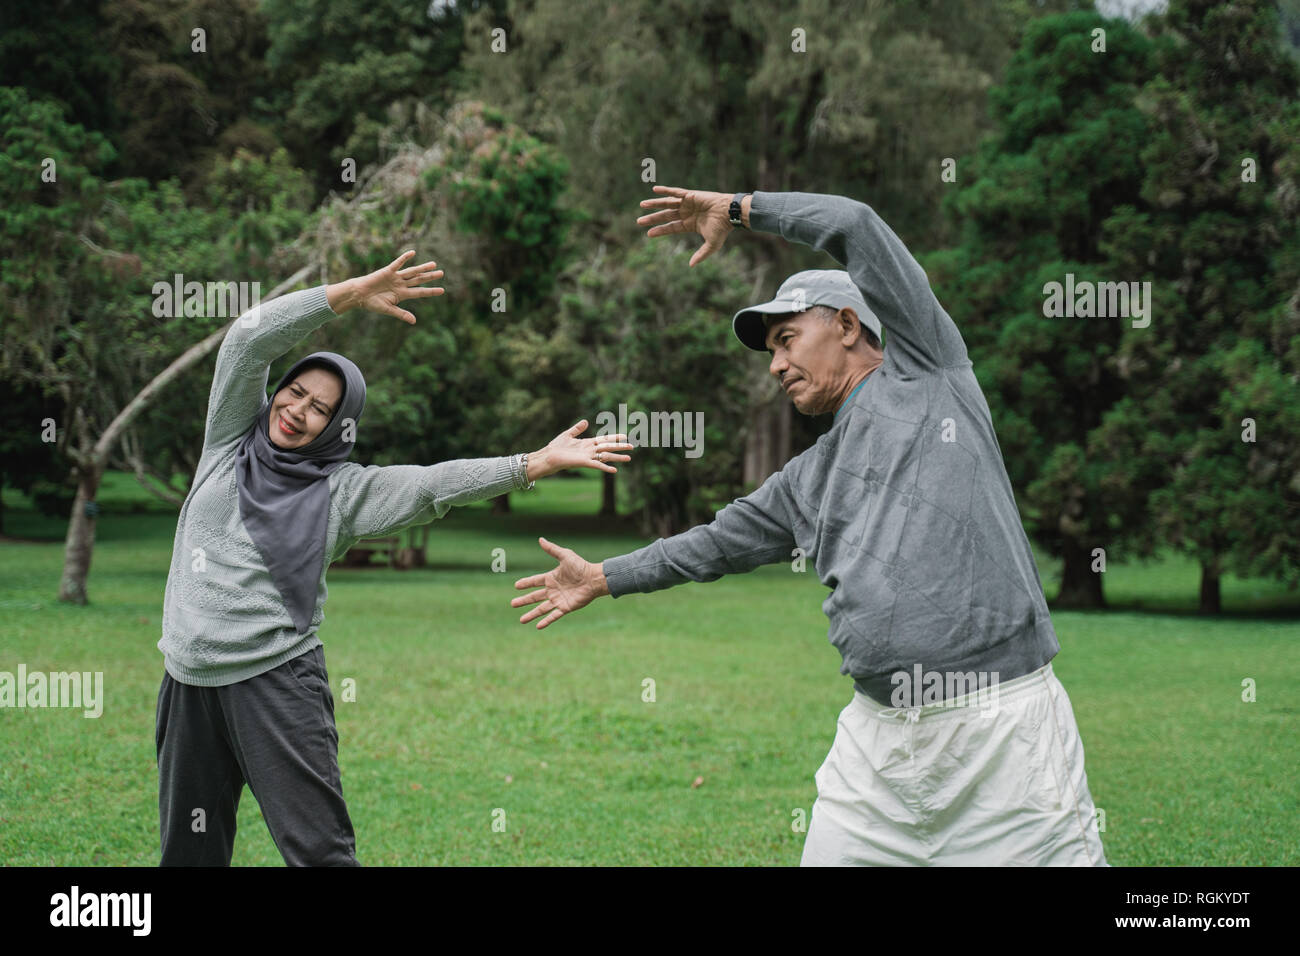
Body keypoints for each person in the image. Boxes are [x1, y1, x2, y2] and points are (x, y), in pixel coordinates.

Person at [511, 187, 1108, 866]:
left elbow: (854, 224)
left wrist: (739, 210)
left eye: (787, 339)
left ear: (849, 326)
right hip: (877, 747)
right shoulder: (810, 476)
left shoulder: (930, 372)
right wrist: (603, 576)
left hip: (1002, 736)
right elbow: (714, 543)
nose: (774, 365)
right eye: (770, 351)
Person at [155, 251, 631, 866]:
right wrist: (347, 294)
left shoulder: (342, 493)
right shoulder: (227, 443)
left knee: (320, 854)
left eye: (320, 408)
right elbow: (247, 338)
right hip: (187, 681)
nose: (297, 411)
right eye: (295, 392)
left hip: (274, 683)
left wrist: (530, 464)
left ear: (337, 426)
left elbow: (432, 485)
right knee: (187, 854)